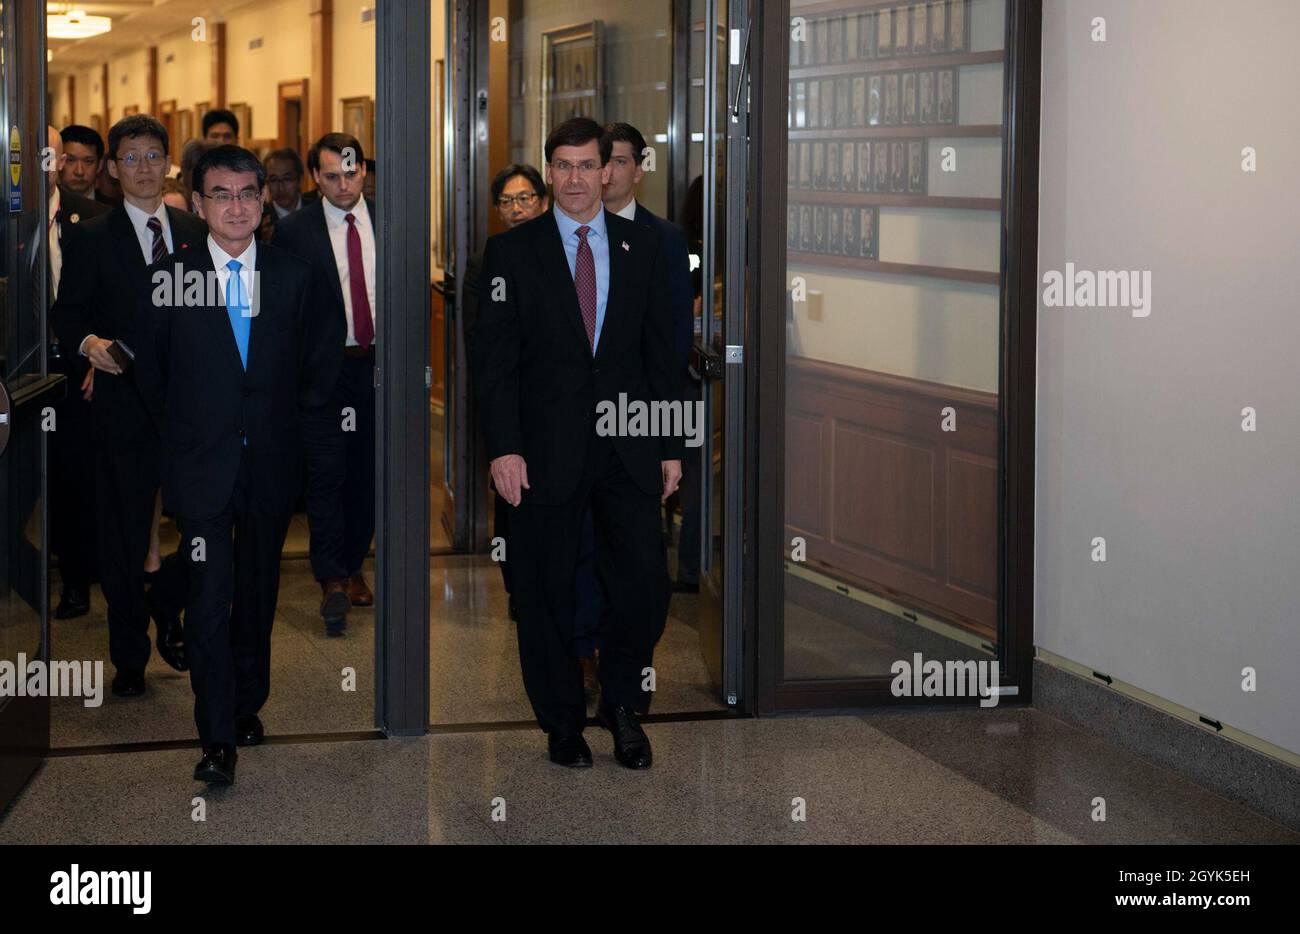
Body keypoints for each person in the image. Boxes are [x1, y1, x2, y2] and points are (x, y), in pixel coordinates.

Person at [473, 117, 682, 769]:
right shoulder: (510, 254)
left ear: (609, 170)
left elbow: (663, 354)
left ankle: (623, 707)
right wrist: (503, 449)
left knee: (644, 584)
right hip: (542, 451)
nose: (574, 178)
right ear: (549, 172)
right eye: (561, 166)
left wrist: (670, 443)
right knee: (544, 591)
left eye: (587, 165)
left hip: (629, 445)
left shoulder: (641, 246)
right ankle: (561, 719)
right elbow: (494, 364)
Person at [136, 145, 335, 785]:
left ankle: (248, 704)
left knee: (257, 595)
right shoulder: (172, 275)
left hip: (271, 467)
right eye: (220, 194)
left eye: (247, 193)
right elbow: (152, 376)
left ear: (263, 201)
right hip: (201, 469)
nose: (236, 206)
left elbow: (315, 376)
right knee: (210, 596)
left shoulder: (295, 276)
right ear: (197, 205)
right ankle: (216, 735)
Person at [50, 114, 206, 695]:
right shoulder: (91, 236)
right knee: (120, 536)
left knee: (206, 524)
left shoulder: (197, 231)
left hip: (190, 409)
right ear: (113, 170)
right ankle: (129, 653)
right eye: (131, 158)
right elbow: (68, 315)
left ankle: (167, 601)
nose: (143, 168)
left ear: (168, 163)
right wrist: (90, 347)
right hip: (120, 408)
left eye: (153, 155)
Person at [272, 133, 376, 635]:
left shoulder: (390, 219)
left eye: (351, 174)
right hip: (322, 374)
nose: (343, 185)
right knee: (327, 476)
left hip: (375, 369)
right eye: (331, 176)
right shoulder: (297, 232)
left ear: (364, 172)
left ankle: (354, 563)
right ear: (316, 177)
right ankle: (332, 576)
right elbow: (285, 313)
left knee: (368, 474)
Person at [465, 163, 550, 624]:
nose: (518, 209)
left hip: (559, 406)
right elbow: (482, 343)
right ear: (498, 211)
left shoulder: (565, 251)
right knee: (514, 501)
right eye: (507, 202)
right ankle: (519, 589)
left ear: (543, 200)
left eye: (525, 199)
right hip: (513, 405)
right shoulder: (488, 261)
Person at [45, 126, 110, 620]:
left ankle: (75, 580)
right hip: (15, 367)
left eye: (56, 155)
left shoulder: (90, 219)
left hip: (72, 366)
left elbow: (108, 296)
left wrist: (97, 353)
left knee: (73, 477)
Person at [58, 124, 106, 201]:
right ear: (58, 162)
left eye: (88, 161)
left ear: (100, 165)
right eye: (70, 160)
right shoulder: (43, 207)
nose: (79, 171)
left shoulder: (112, 210)